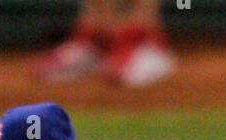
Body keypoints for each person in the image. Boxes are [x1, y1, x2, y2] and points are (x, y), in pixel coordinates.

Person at [36, 0, 176, 88]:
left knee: (124, 76)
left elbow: (144, 26)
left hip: (144, 48)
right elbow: (86, 26)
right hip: (102, 48)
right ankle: (99, 68)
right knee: (50, 72)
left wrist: (116, 35)